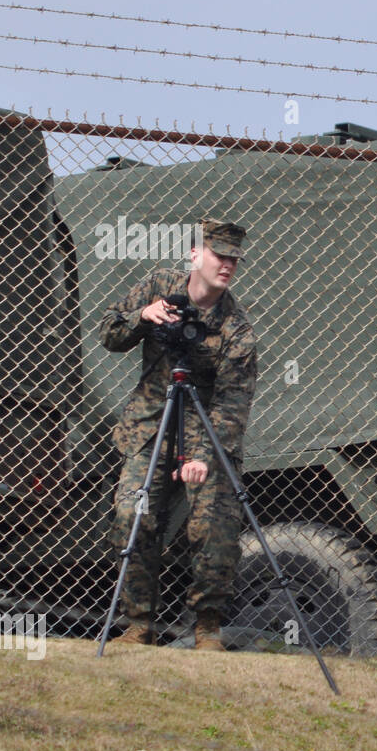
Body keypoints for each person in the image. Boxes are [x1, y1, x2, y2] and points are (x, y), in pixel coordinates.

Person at [101, 218, 258, 651]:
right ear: (195, 255)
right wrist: (141, 316)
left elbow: (232, 402)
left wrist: (202, 456)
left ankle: (207, 628)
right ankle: (139, 624)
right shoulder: (159, 286)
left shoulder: (237, 328)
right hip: (151, 426)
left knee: (214, 528)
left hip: (204, 434)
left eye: (234, 259)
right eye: (219, 255)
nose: (227, 265)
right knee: (133, 517)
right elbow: (109, 334)